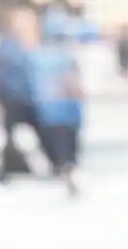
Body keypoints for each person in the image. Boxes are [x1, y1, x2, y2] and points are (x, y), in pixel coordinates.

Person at [0, 8, 45, 183]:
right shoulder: (16, 46)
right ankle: (6, 168)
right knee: (19, 132)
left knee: (12, 133)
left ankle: (6, 168)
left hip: (18, 97)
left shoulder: (9, 45)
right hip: (21, 97)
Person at [29, 34, 83, 196]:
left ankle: (62, 168)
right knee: (69, 147)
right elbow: (72, 82)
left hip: (47, 110)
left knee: (56, 146)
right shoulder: (66, 57)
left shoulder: (35, 57)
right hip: (67, 110)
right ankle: (69, 170)